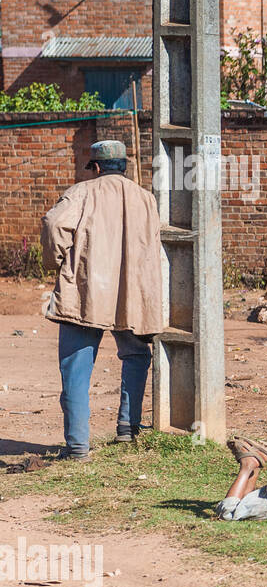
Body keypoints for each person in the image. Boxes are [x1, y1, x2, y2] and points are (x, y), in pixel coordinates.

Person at [40, 140, 163, 460]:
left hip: (86, 293)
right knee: (136, 356)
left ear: (95, 167)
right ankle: (127, 427)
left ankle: (79, 446)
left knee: (76, 370)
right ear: (124, 167)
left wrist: (54, 262)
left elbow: (53, 224)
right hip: (131, 294)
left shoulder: (82, 192)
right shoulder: (146, 198)